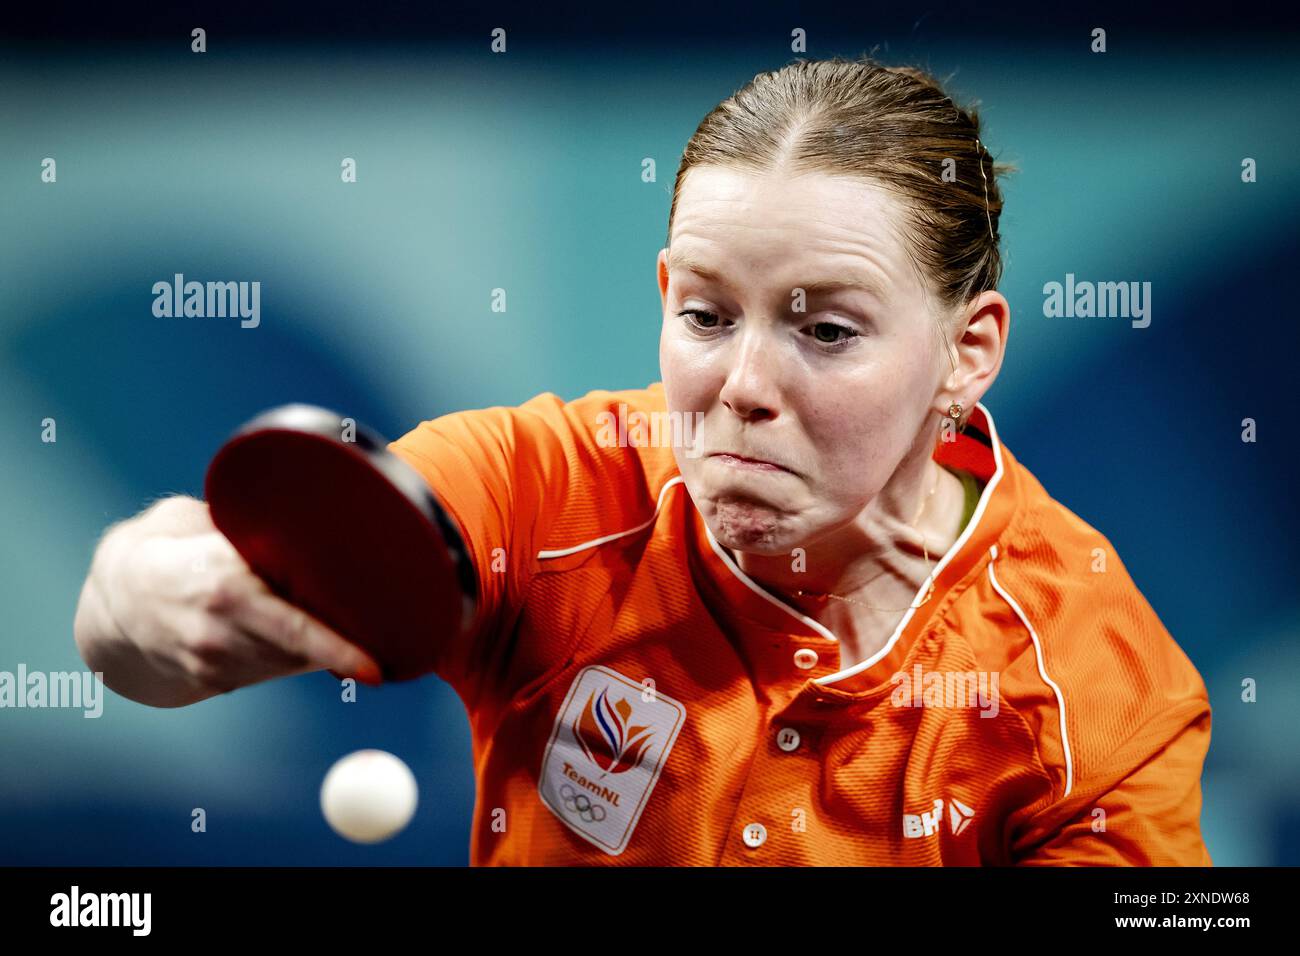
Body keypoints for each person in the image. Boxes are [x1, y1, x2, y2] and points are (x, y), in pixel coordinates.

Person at [74, 56, 1212, 865]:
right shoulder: (558, 485)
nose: (742, 386)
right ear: (667, 295)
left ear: (968, 352)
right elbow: (161, 605)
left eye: (824, 330)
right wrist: (142, 595)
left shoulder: (1094, 692)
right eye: (711, 317)